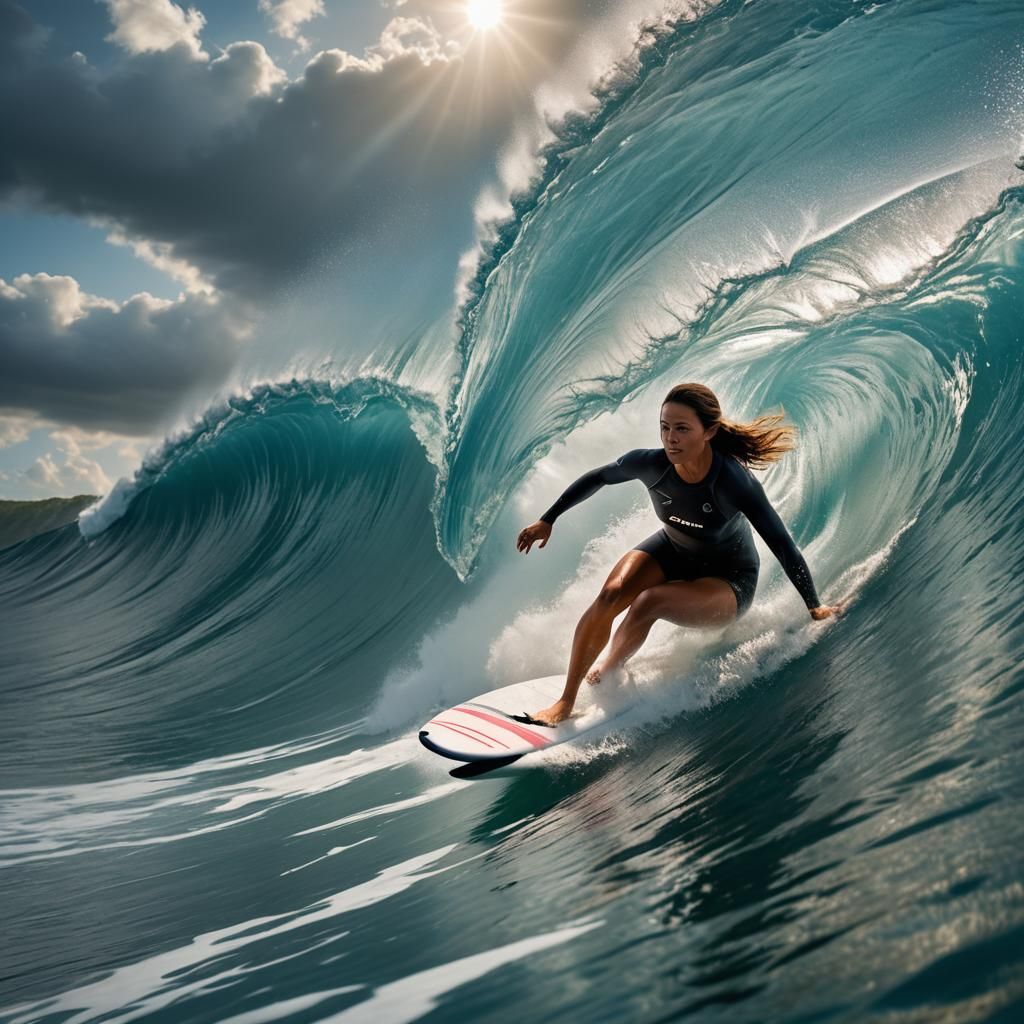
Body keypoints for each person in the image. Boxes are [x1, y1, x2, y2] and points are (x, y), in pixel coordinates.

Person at [516, 382, 843, 726]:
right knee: (611, 595)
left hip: (729, 581)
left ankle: (609, 671)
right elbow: (599, 477)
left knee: (647, 602)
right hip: (673, 550)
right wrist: (547, 519)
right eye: (665, 427)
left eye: (682, 429)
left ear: (709, 432)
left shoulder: (733, 481)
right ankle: (565, 702)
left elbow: (783, 545)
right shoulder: (652, 464)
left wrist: (813, 605)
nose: (670, 437)